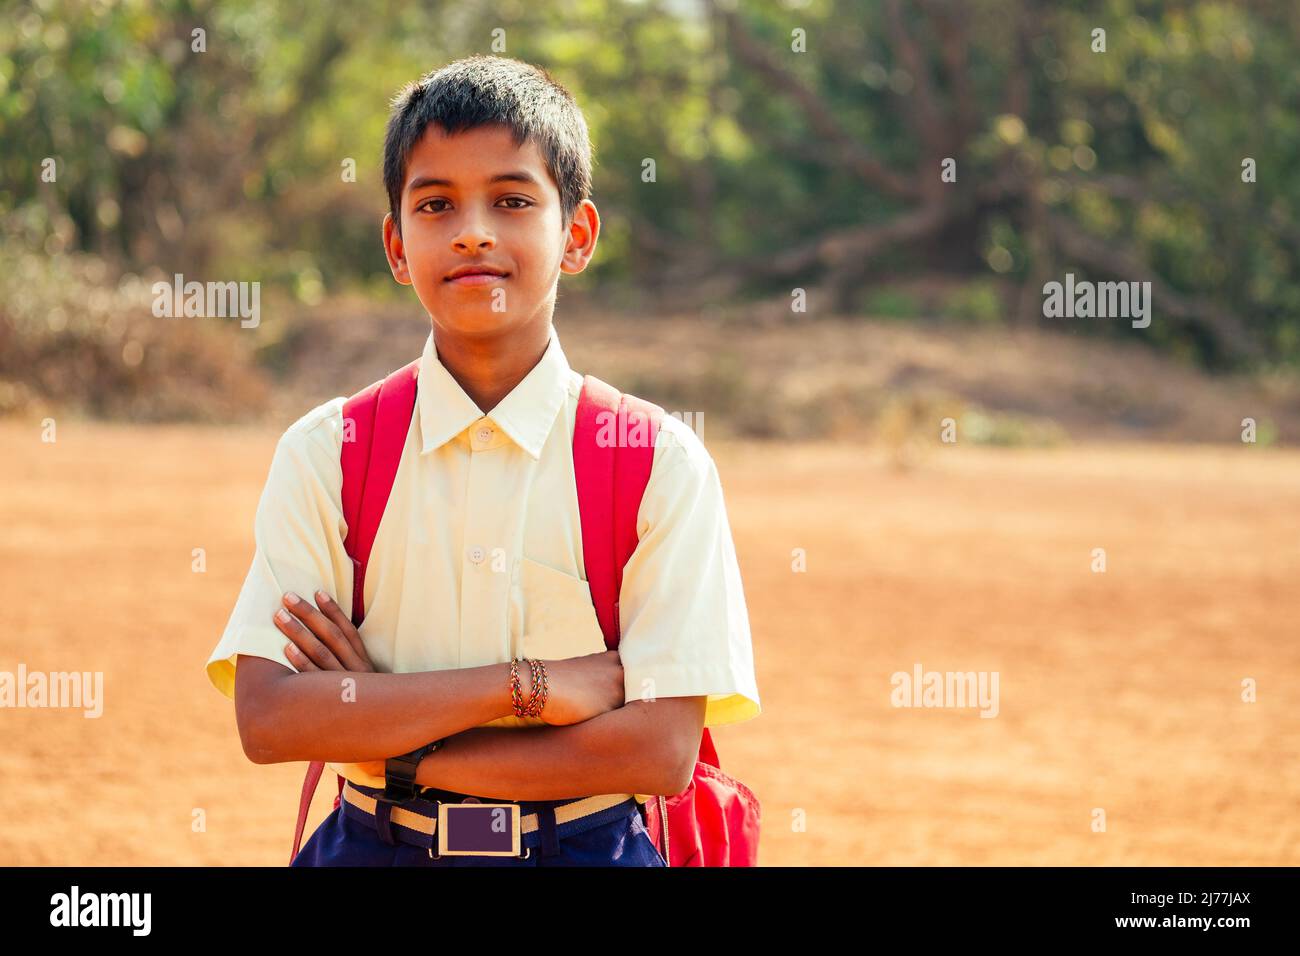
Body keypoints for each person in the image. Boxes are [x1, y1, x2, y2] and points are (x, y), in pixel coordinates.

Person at [204, 55, 761, 866]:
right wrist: (527, 686)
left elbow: (659, 751)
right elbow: (271, 721)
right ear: (397, 247)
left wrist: (396, 743)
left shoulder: (655, 462)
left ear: (576, 235)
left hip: (584, 846)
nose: (473, 230)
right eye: (435, 204)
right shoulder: (330, 452)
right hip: (370, 845)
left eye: (511, 200)